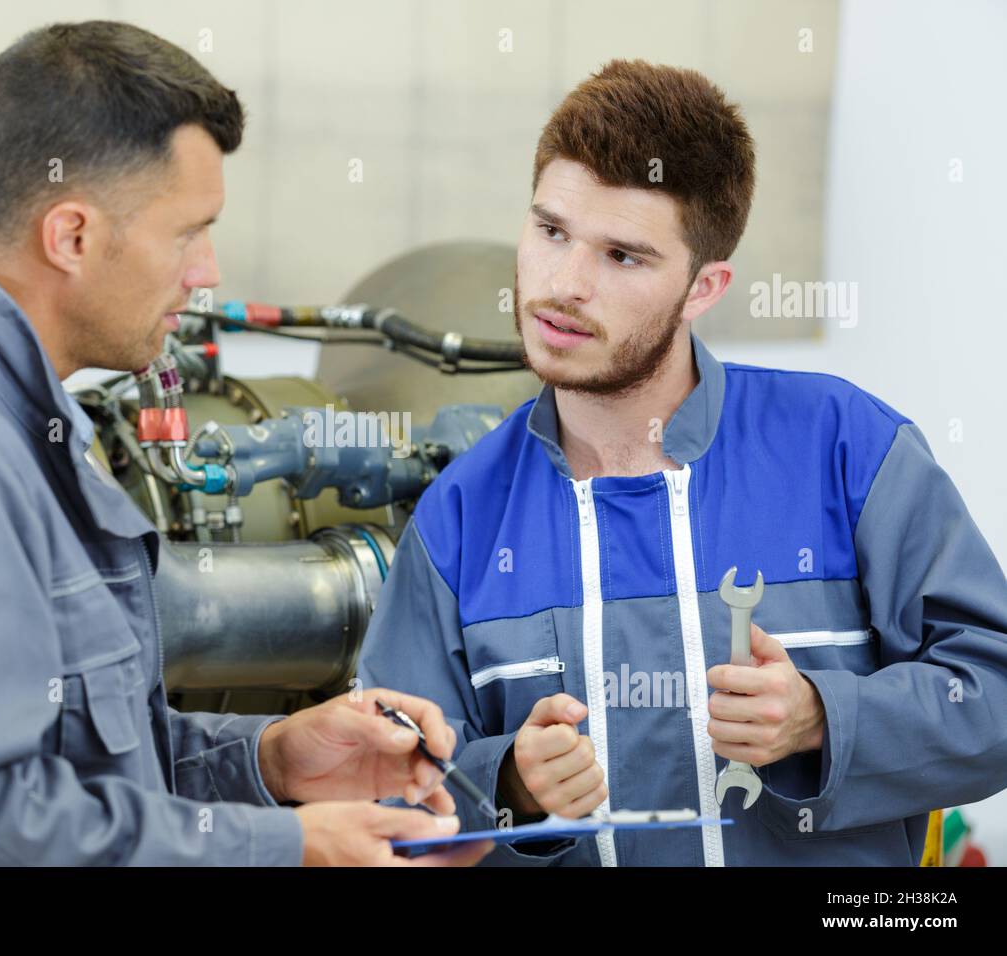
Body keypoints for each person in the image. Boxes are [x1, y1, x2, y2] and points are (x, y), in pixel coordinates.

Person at [0, 20, 492, 867]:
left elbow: (66, 761)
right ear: (71, 236)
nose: (207, 270)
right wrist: (288, 849)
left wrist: (271, 760)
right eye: (187, 232)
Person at [356, 59, 1007, 866]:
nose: (563, 285)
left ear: (705, 287)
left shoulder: (847, 447)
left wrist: (822, 719)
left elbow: (994, 697)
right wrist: (508, 785)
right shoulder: (457, 517)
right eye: (552, 231)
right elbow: (383, 797)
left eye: (622, 256)